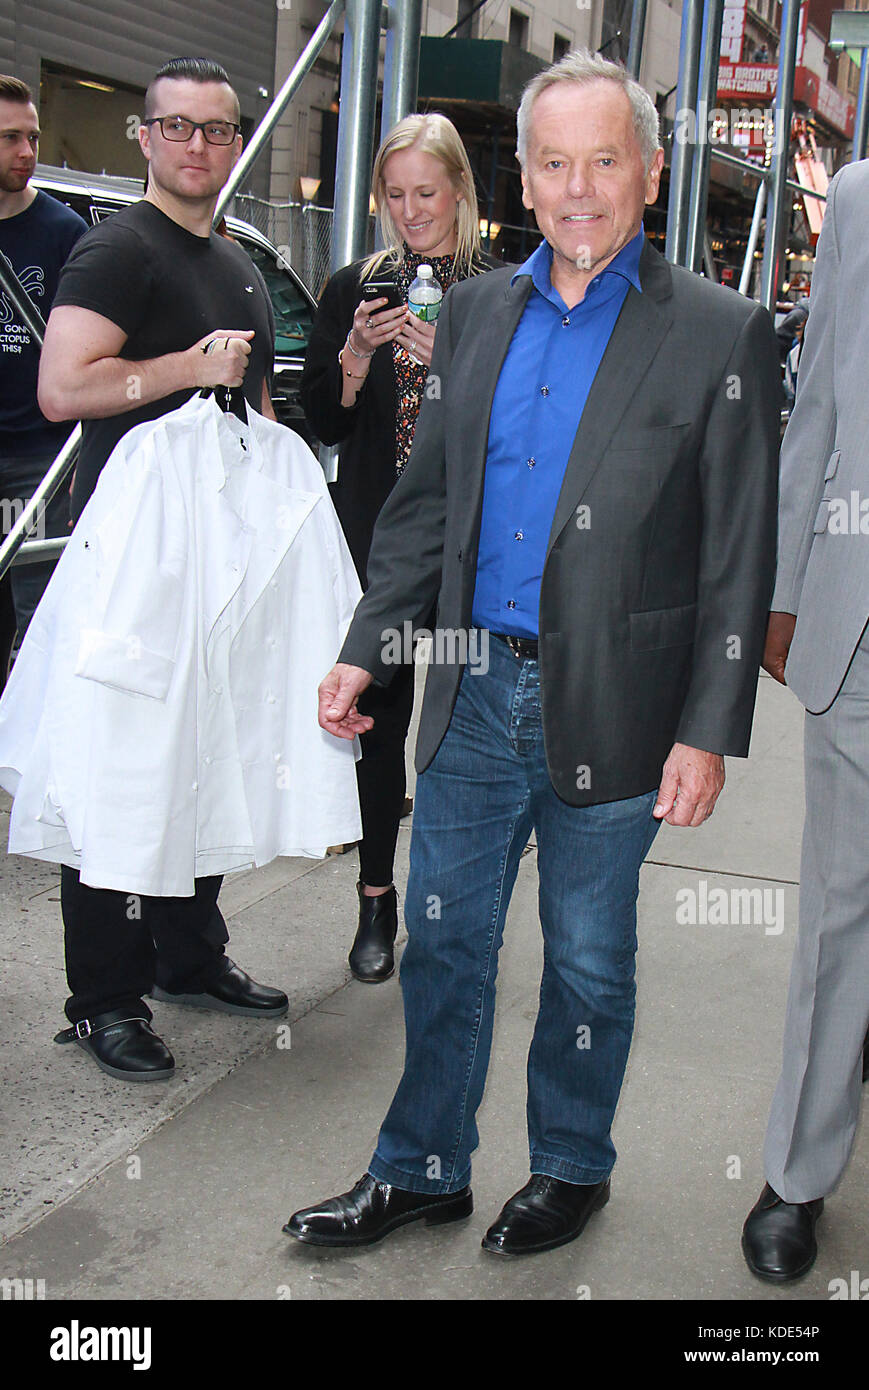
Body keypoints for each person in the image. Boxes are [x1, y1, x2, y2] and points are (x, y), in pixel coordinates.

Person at [283, 49, 781, 1256]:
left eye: (602, 160)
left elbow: (737, 555)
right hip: (470, 685)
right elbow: (425, 506)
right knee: (443, 938)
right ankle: (423, 1166)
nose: (574, 188)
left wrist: (705, 728)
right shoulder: (480, 311)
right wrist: (367, 646)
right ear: (522, 176)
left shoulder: (719, 333)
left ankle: (569, 1163)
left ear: (649, 173)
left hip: (614, 702)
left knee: (589, 960)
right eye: (550, 162)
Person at [35, 56, 288, 1083]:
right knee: (119, 772)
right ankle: (103, 998)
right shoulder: (117, 249)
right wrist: (186, 367)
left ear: (234, 142)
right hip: (133, 567)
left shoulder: (230, 258)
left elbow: (258, 412)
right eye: (176, 127)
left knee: (203, 749)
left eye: (216, 130)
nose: (196, 145)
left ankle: (189, 954)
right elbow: (63, 386)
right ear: (144, 136)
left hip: (217, 564)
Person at [300, 113, 496, 984]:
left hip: (472, 549)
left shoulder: (501, 289)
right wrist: (351, 358)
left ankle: (448, 906)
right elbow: (323, 421)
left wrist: (451, 371)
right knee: (375, 725)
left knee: (461, 731)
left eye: (427, 191)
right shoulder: (357, 285)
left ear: (459, 189)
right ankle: (374, 899)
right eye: (395, 194)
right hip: (376, 543)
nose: (412, 210)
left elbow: (522, 427)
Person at [742, 160, 869, 1283]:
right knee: (839, 912)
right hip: (859, 618)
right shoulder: (865, 198)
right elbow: (819, 396)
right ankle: (795, 1170)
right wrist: (780, 586)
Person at [0, 75, 86, 638]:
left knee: (38, 626)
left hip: (41, 461)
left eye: (32, 136)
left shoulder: (64, 232)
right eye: (10, 137)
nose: (27, 152)